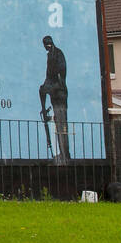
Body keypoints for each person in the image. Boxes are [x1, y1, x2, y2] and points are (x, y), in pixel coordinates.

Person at [39, 35, 70, 163]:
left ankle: (64, 156)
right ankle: (58, 155)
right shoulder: (50, 56)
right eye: (45, 45)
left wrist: (52, 87)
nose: (47, 47)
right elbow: (48, 76)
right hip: (53, 90)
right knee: (41, 90)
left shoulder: (58, 54)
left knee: (61, 126)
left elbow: (61, 76)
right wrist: (45, 88)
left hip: (60, 93)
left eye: (48, 45)